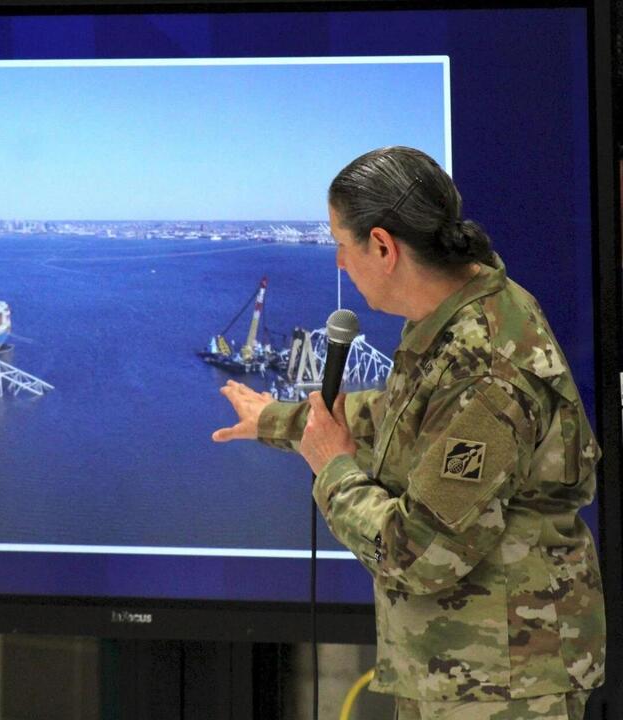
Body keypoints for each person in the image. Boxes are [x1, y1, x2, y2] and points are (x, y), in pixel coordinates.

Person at [213, 147, 605, 720]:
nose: (340, 265)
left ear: (382, 246)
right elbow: (404, 417)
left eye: (341, 246)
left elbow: (420, 552)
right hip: (465, 672)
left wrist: (335, 471)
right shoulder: (454, 313)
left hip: (505, 684)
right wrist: (279, 420)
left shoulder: (489, 367)